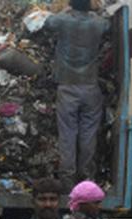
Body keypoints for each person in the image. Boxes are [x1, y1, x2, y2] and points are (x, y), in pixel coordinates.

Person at [46, 0, 109, 186]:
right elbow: (108, 24)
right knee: (88, 134)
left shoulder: (63, 20)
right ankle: (86, 177)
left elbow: (48, 23)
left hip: (67, 85)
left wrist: (66, 10)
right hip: (90, 85)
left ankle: (67, 180)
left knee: (68, 134)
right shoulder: (98, 23)